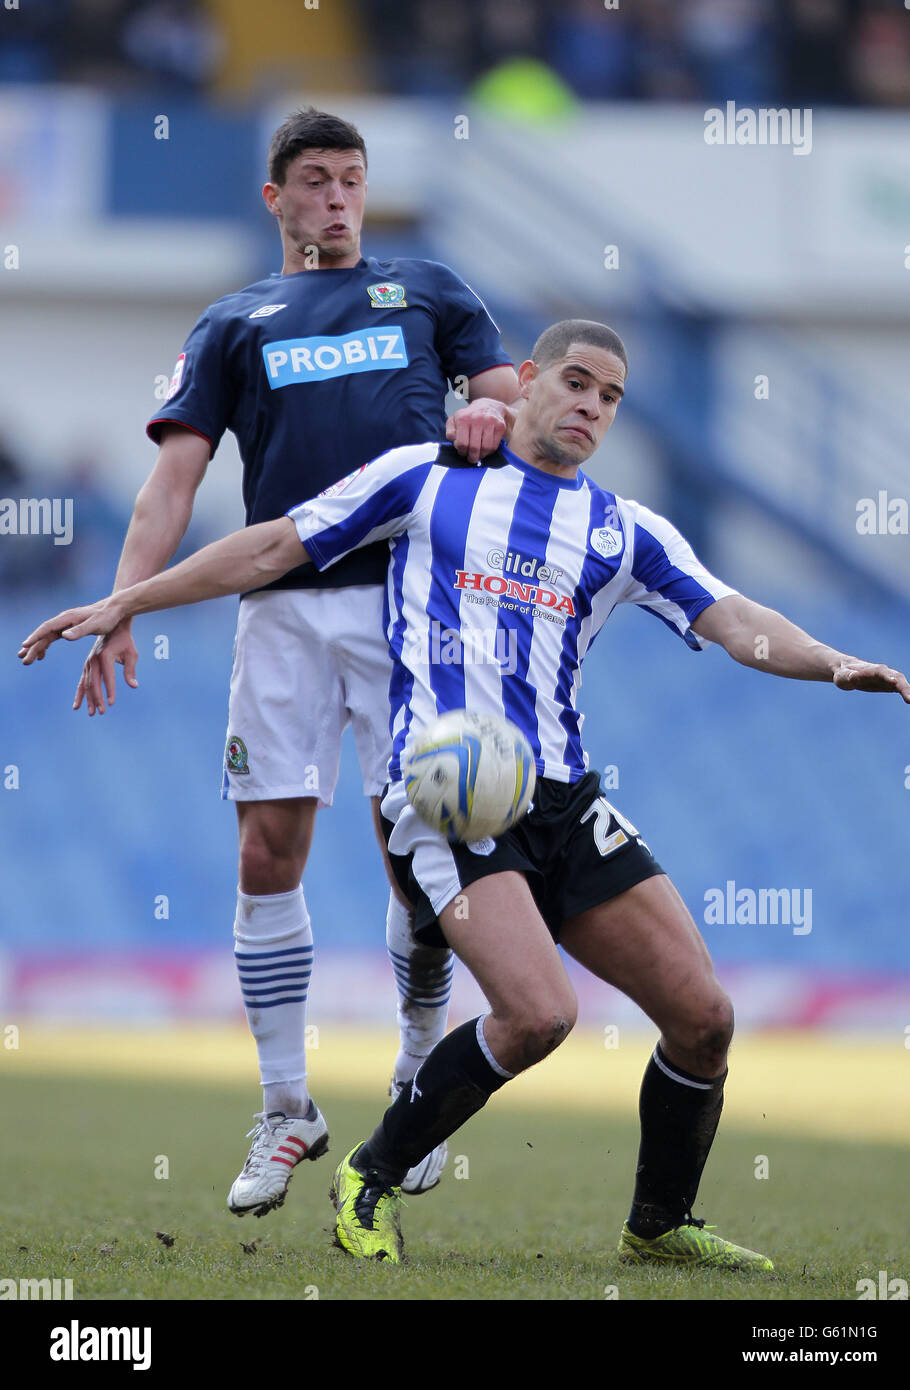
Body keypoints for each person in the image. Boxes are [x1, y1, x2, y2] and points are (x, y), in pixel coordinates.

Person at [21, 319, 910, 1269]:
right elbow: (271, 548)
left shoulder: (622, 529)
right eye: (575, 382)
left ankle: (658, 1224)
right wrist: (130, 598)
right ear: (524, 381)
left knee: (704, 1020)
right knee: (539, 1015)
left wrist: (832, 663)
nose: (590, 407)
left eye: (610, 398)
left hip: (563, 801)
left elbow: (735, 620)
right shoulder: (426, 479)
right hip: (451, 798)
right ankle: (370, 1173)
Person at [68, 106, 519, 1214]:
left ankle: (419, 1080)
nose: (335, 197)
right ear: (275, 199)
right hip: (278, 610)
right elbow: (171, 484)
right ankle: (286, 1106)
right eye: (313, 180)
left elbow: (509, 391)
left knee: (416, 858)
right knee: (268, 852)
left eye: (351, 179)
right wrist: (125, 602)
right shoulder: (235, 320)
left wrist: (490, 418)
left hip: (407, 606)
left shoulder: (428, 291)